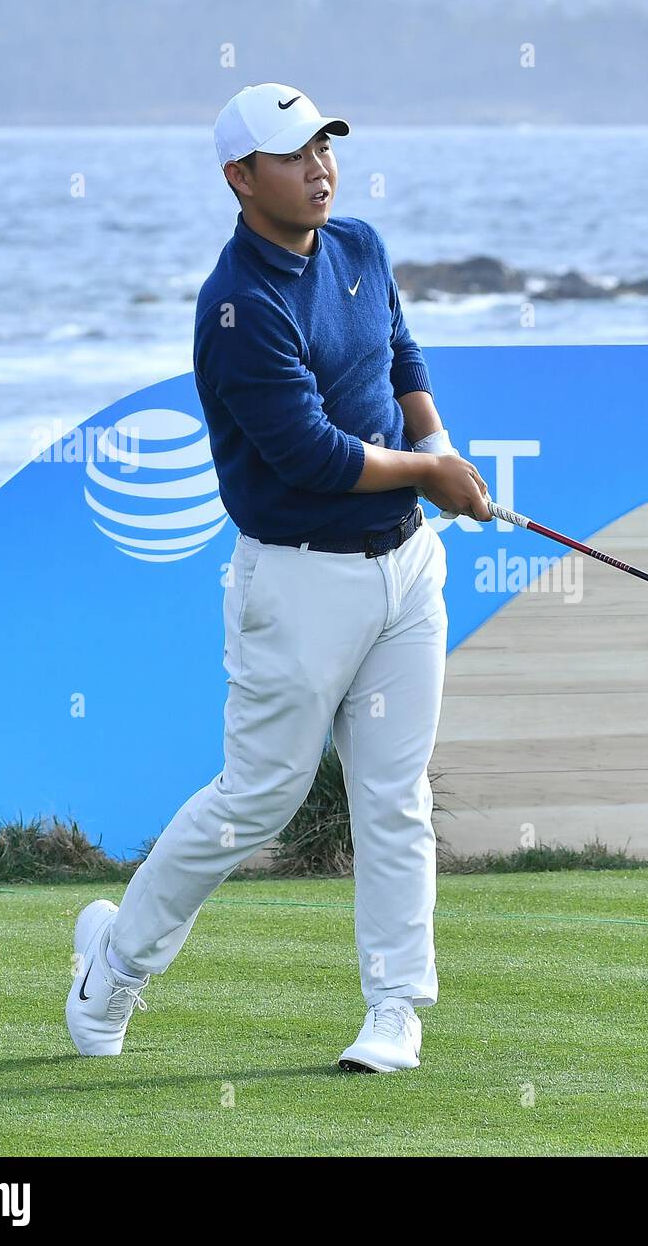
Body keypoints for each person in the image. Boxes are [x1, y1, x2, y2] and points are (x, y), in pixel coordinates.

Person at [65, 82, 492, 1073]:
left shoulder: (359, 246)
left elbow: (399, 352)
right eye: (295, 154)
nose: (320, 168)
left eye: (326, 147)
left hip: (404, 570)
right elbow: (308, 453)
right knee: (255, 800)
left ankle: (394, 1005)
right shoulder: (236, 306)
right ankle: (118, 962)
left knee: (393, 797)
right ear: (239, 177)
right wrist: (430, 473)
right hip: (297, 585)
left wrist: (437, 443)